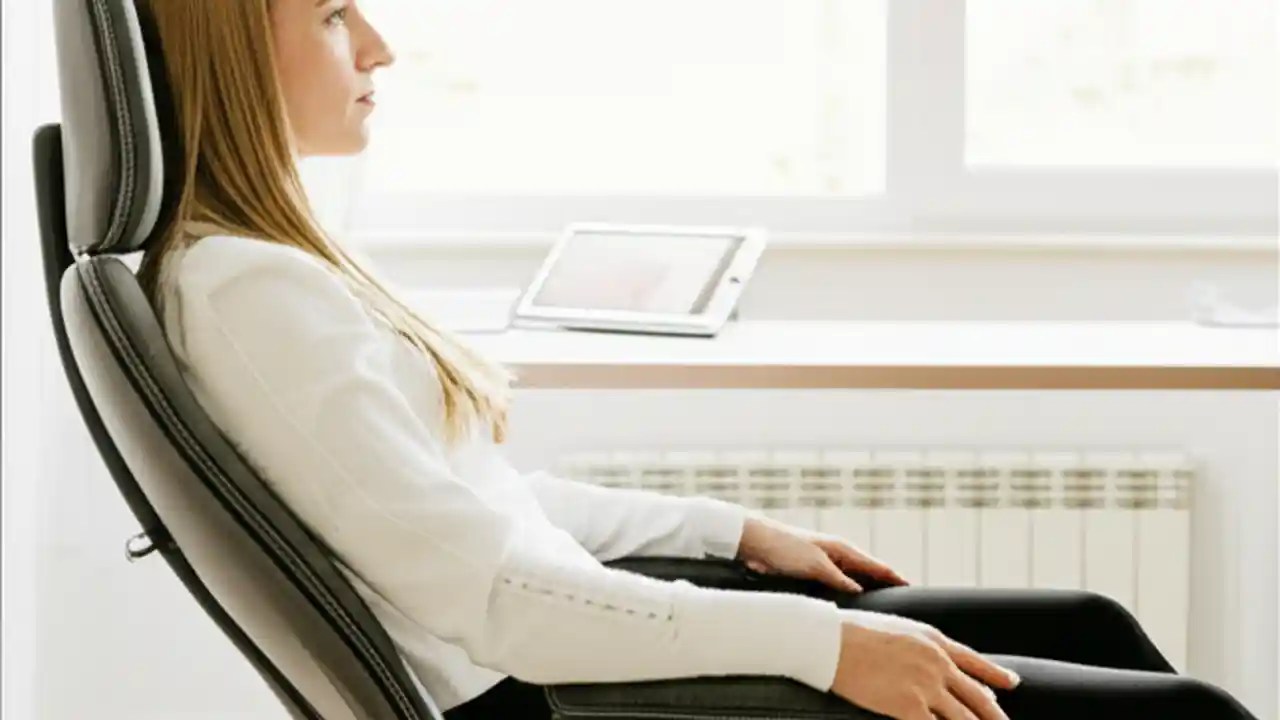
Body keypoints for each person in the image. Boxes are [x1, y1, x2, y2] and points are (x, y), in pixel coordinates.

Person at [132, 2, 1260, 719]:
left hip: (559, 644)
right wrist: (822, 649)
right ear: (230, 42)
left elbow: (468, 510)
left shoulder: (268, 271)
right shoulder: (252, 295)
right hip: (544, 691)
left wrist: (725, 534)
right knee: (1186, 716)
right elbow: (491, 597)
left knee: (1083, 621)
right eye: (333, 15)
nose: (378, 42)